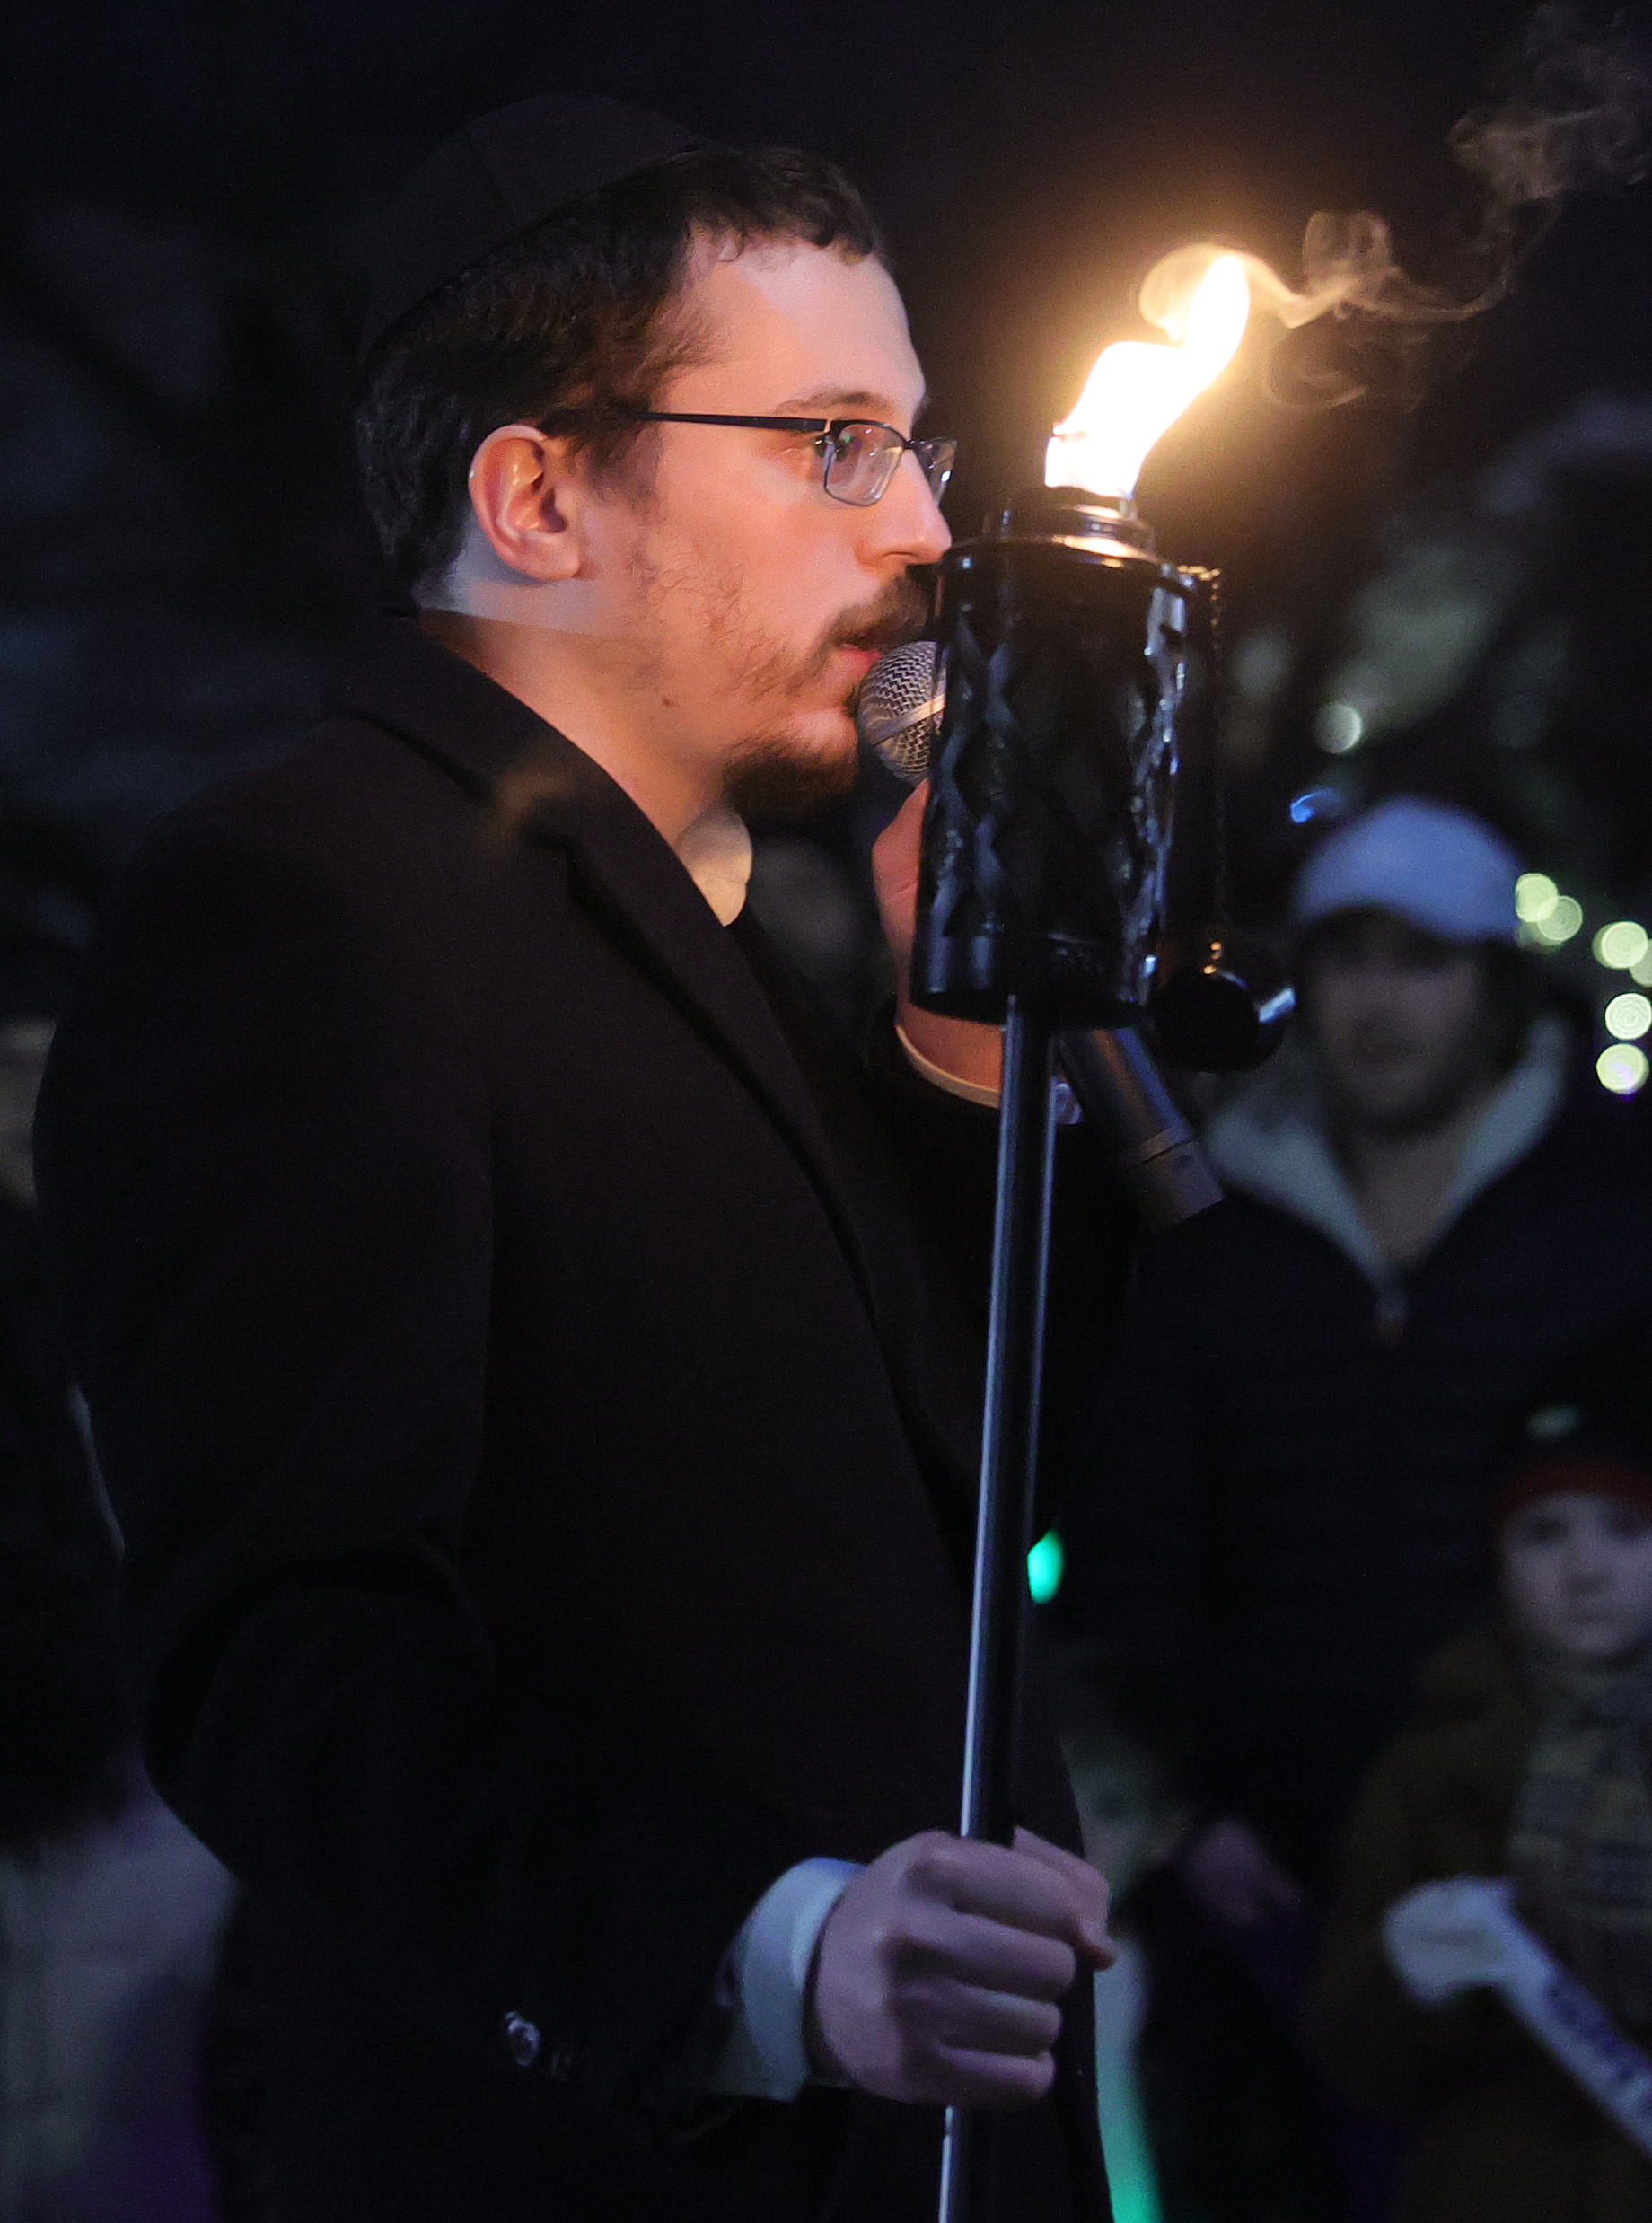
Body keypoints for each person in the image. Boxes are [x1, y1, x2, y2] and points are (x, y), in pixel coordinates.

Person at [33, 94, 1118, 2223]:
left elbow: (953, 1515)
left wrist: (969, 1055)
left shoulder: (712, 924)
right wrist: (783, 1943)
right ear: (537, 491)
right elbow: (286, 1655)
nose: (913, 529)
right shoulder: (307, 902)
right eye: (827, 440)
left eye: (915, 446)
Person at [1057, 795, 1652, 1913]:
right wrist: (1188, 1805)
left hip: (1557, 1848)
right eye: (1345, 961)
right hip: (1255, 1861)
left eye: (1419, 961)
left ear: (1492, 985)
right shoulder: (1212, 1232)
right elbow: (1135, 1534)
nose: (1377, 1002)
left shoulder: (1606, 1219)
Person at [1305, 1329, 1652, 2222]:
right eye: (1543, 1532)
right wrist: (1406, 1972)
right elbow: (1354, 2052)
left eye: (1624, 1527)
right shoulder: (1433, 1759)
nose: (1585, 1569)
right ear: (1497, 1559)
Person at [1061, 1664, 1340, 2223]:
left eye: (1112, 1808)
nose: (1075, 1830)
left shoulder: (1206, 1997)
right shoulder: (982, 1973)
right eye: (1059, 1794)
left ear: (1164, 1833)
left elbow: (1260, 2165)